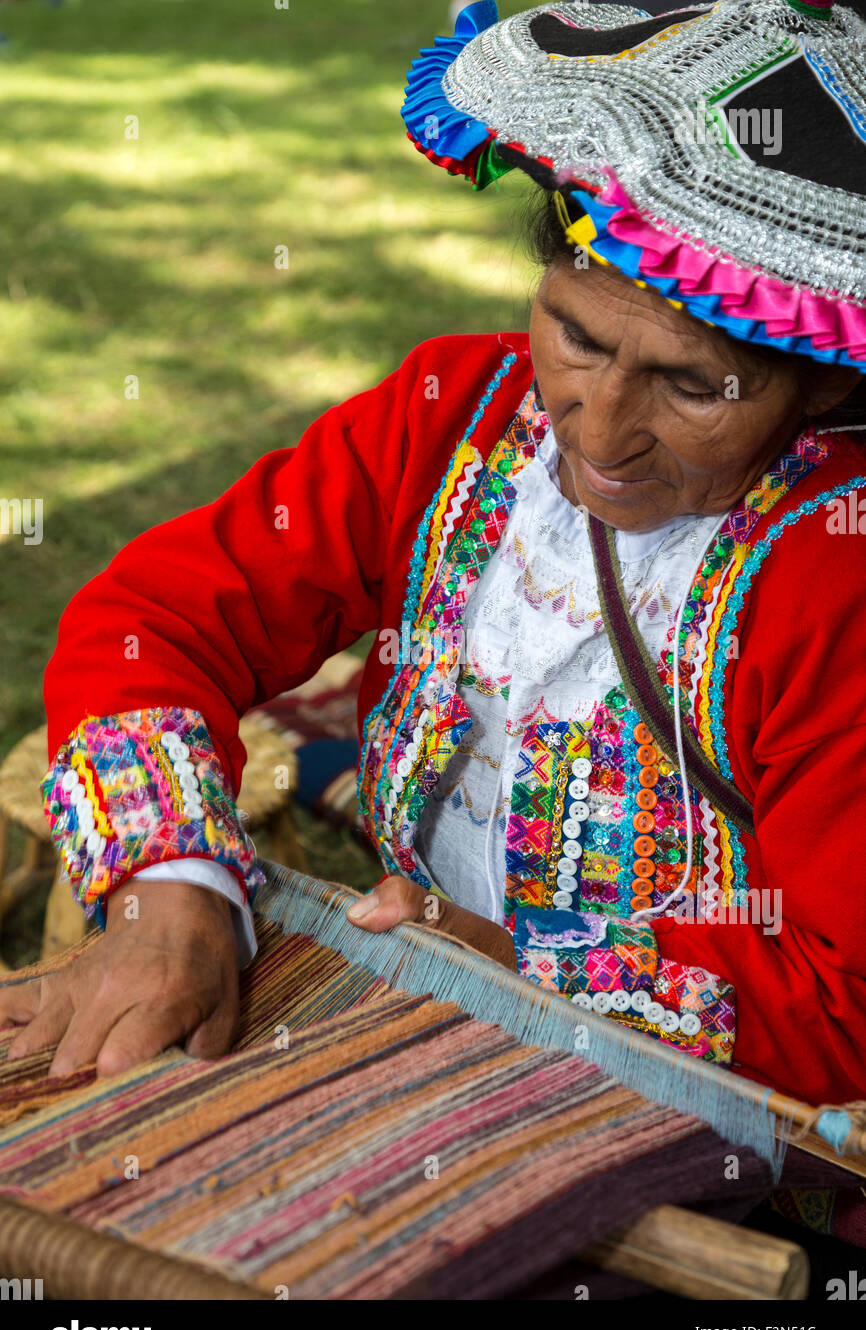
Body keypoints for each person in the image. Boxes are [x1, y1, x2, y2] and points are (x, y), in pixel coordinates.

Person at [4, 0, 866, 1107]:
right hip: (421, 992)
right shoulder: (449, 411)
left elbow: (840, 998)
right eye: (575, 336)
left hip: (717, 1130)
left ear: (827, 381)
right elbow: (156, 620)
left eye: (692, 386)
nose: (597, 435)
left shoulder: (832, 572)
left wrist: (521, 971)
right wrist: (169, 886)